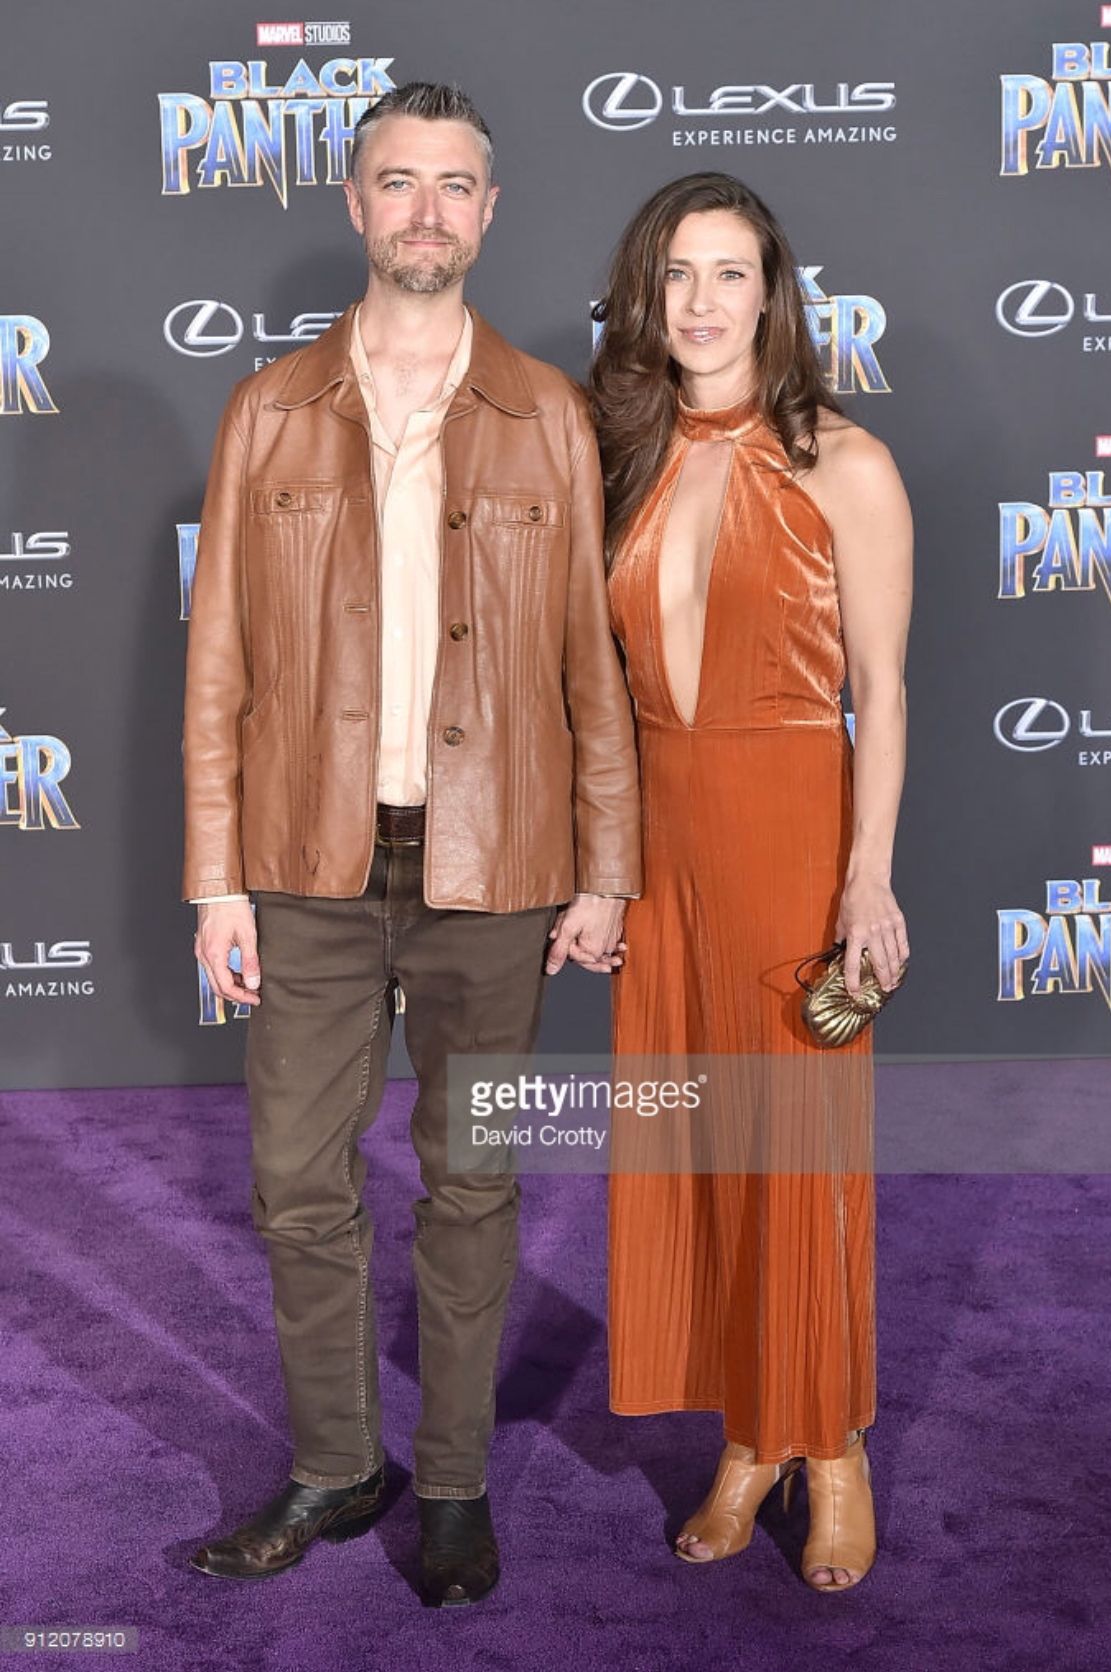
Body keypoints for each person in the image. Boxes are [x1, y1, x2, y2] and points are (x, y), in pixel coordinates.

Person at [183, 82, 640, 1607]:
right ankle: (334, 1464)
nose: (426, 209)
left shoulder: (547, 415)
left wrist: (605, 867)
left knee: (473, 1181)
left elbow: (590, 663)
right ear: (354, 203)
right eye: (399, 181)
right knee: (297, 1184)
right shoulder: (268, 410)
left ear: (490, 212)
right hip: (304, 873)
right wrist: (211, 881)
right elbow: (219, 671)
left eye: (455, 184)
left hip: (496, 878)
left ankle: (448, 1481)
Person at [590, 172, 911, 1591]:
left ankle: (827, 1444)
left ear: (773, 295)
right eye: (676, 276)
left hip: (791, 832)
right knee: (695, 1151)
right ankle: (747, 1436)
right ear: (644, 299)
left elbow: (883, 695)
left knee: (800, 1157)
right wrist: (597, 875)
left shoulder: (845, 460)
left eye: (730, 274)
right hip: (662, 852)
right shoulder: (620, 454)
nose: (703, 303)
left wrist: (867, 884)